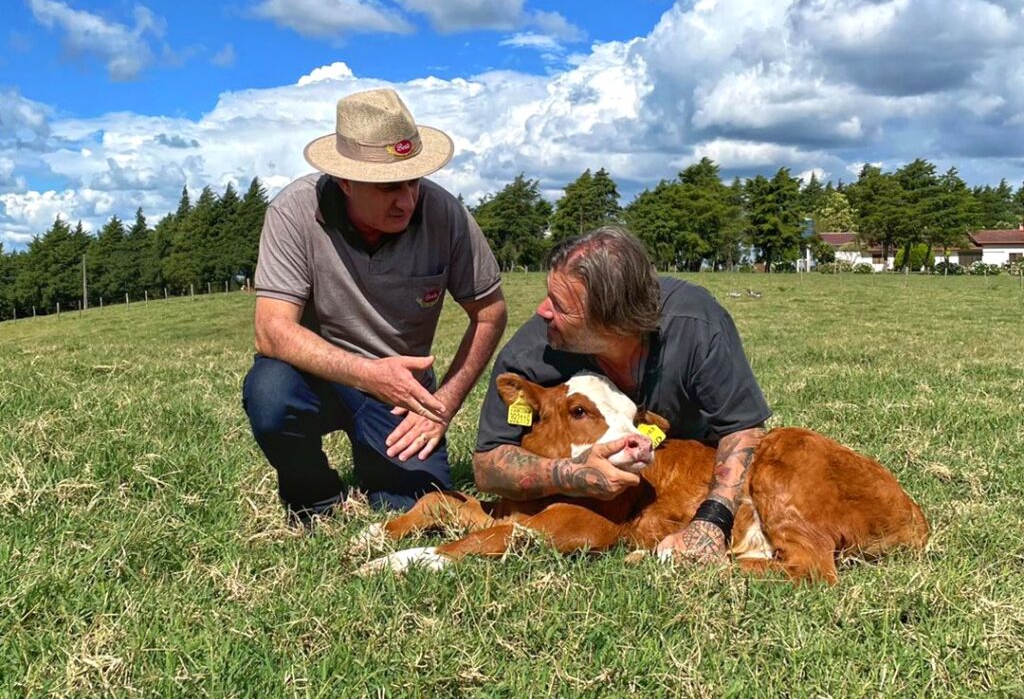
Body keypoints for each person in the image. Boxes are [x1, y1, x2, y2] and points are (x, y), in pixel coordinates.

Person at [243, 88, 507, 523]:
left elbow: (490, 313)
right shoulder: (293, 211)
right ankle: (316, 498)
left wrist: (443, 404)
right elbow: (271, 331)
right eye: (388, 187)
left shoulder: (446, 215)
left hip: (401, 394)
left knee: (419, 510)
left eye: (413, 181)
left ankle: (384, 468)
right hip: (317, 378)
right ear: (345, 182)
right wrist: (368, 374)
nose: (407, 200)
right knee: (270, 394)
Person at [472, 226, 770, 563]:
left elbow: (743, 430)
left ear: (612, 319)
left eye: (561, 305)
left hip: (688, 474)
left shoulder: (695, 325)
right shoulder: (531, 354)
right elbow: (487, 466)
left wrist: (711, 521)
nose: (543, 311)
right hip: (594, 503)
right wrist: (572, 474)